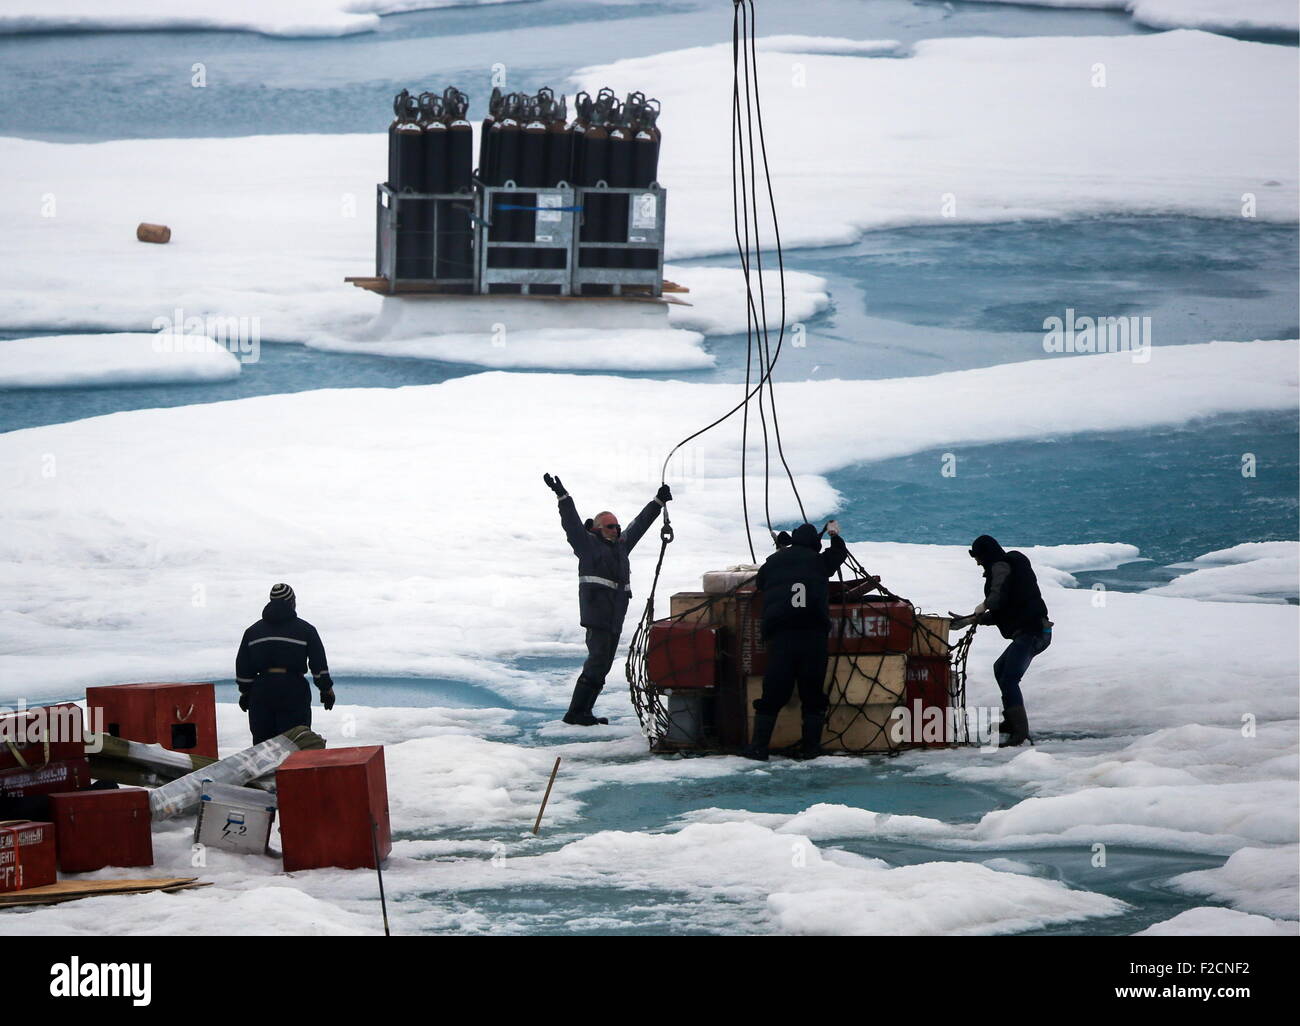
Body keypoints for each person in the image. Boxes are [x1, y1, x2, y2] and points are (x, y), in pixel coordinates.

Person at [545, 473, 671, 725]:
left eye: (617, 526)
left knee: (602, 667)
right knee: (596, 663)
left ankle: (584, 711)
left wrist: (657, 503)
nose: (616, 530)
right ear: (597, 528)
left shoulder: (621, 545)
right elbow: (570, 523)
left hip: (615, 617)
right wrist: (563, 497)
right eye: (610, 527)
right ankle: (575, 712)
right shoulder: (587, 546)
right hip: (598, 616)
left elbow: (639, 525)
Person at [741, 520, 849, 761]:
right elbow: (839, 554)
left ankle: (759, 748)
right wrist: (834, 534)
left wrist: (781, 555)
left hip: (781, 638)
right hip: (812, 637)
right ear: (814, 544)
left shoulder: (774, 562)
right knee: (812, 694)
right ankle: (811, 748)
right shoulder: (820, 562)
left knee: (774, 693)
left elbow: (761, 583)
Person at [950, 534, 1052, 747]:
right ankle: (1010, 721)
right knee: (1000, 669)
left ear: (986, 555)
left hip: (1034, 633)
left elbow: (995, 601)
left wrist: (983, 605)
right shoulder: (1006, 573)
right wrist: (969, 621)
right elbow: (1002, 612)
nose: (977, 562)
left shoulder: (1001, 568)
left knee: (1009, 677)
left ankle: (1020, 732)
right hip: (1029, 632)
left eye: (978, 557)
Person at [235, 583, 336, 744]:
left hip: (261, 692)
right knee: (294, 743)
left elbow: (243, 668)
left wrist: (246, 693)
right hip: (293, 691)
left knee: (263, 748)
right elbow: (318, 665)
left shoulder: (253, 632)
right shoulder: (306, 630)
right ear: (292, 602)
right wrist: (326, 689)